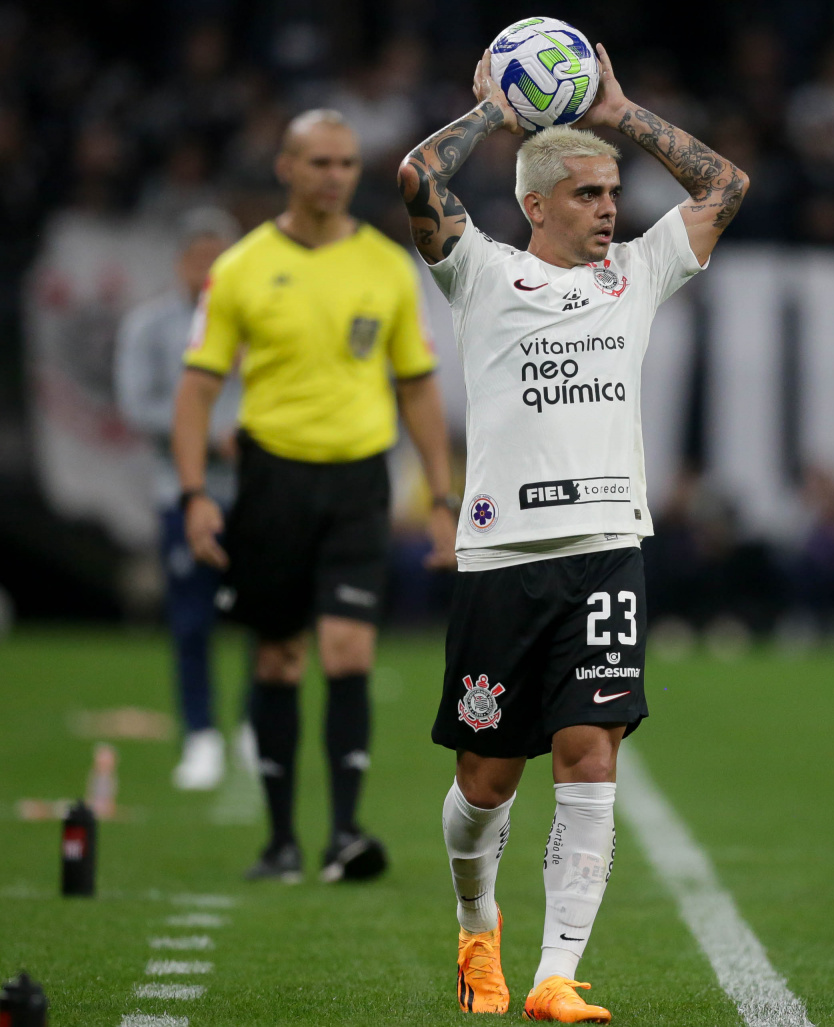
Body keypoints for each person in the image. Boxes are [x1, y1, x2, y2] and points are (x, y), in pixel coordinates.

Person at [398, 43, 748, 1021]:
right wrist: (485, 113)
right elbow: (418, 178)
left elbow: (726, 184)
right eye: (590, 193)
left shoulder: (635, 276)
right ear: (538, 204)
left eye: (612, 192)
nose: (610, 209)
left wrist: (624, 112)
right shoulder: (482, 276)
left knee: (591, 751)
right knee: (485, 778)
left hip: (604, 554)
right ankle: (479, 928)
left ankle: (556, 975)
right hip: (500, 561)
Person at [174, 109, 457, 884]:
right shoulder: (239, 267)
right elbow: (198, 391)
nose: (336, 176)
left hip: (358, 480)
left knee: (348, 647)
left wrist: (441, 495)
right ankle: (279, 841)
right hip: (271, 479)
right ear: (286, 168)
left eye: (345, 163)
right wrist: (197, 492)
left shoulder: (386, 266)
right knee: (278, 654)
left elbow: (419, 388)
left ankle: (343, 833)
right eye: (320, 163)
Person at [115, 207, 242, 791]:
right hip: (183, 492)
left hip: (252, 491)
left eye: (219, 259)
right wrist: (203, 439)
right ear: (180, 263)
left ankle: (252, 726)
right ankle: (200, 735)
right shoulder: (148, 327)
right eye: (199, 259)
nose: (208, 271)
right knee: (191, 622)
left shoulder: (254, 322)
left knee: (264, 616)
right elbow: (134, 405)